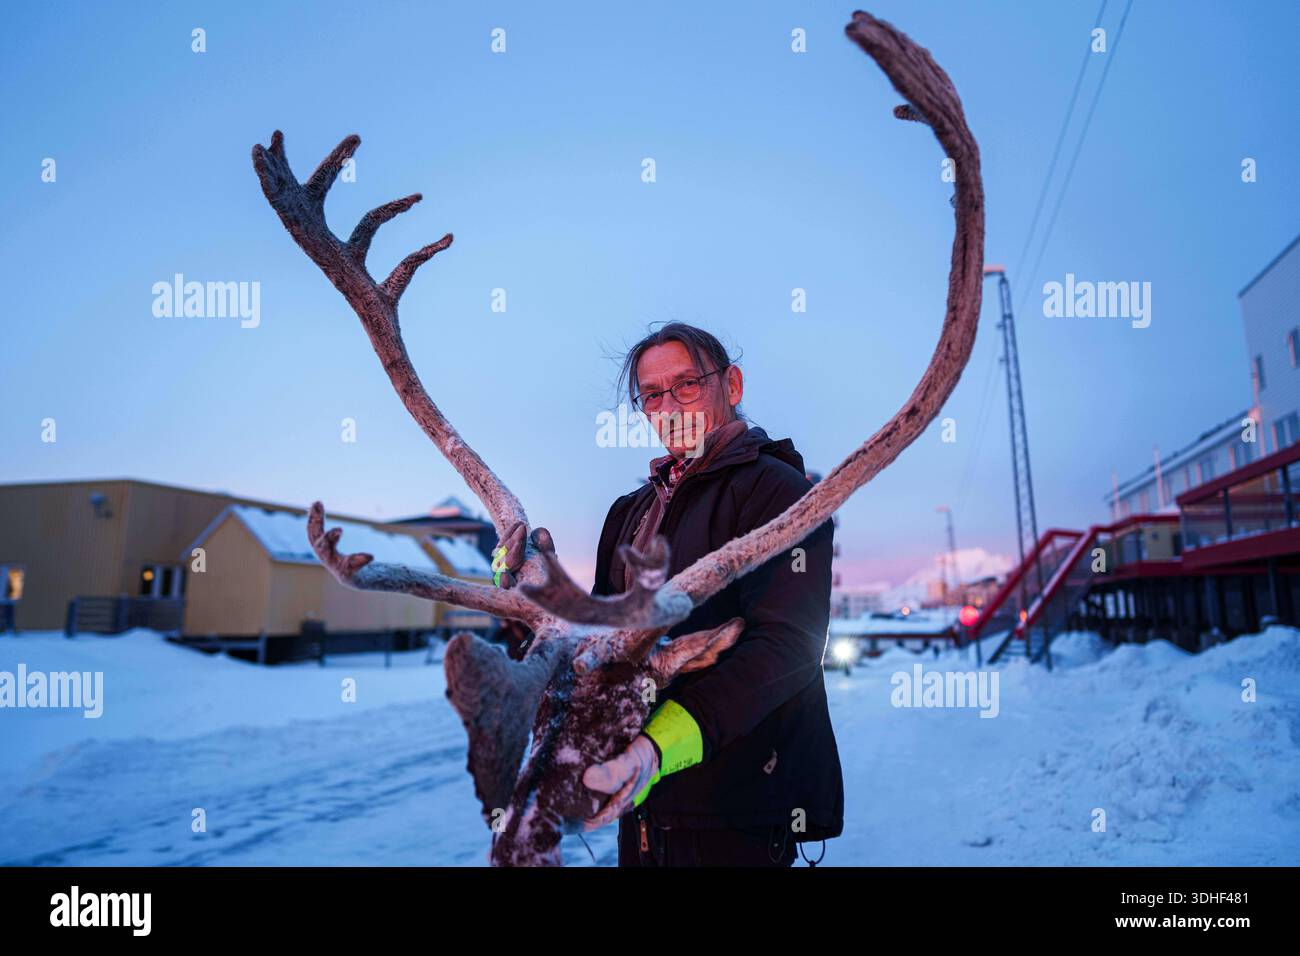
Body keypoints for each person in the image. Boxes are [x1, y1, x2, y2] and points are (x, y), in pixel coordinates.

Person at [495, 322, 842, 866]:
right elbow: (598, 651)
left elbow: (788, 649)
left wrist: (656, 750)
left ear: (732, 385)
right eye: (652, 394)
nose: (670, 405)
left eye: (686, 384)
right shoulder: (628, 511)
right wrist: (530, 597)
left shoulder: (777, 490)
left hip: (734, 808)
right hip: (638, 807)